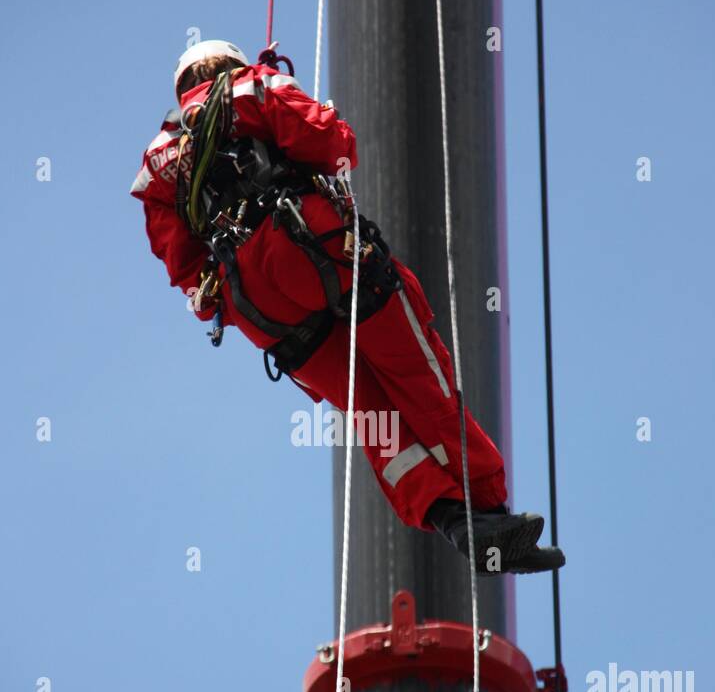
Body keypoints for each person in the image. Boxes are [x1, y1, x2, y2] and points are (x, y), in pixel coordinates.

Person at [131, 39, 564, 575]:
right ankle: (490, 507)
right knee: (417, 374)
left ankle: (455, 523)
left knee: (374, 417)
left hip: (259, 307)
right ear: (231, 64)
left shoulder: (157, 161)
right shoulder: (253, 87)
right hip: (311, 246)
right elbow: (334, 146)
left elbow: (186, 272)